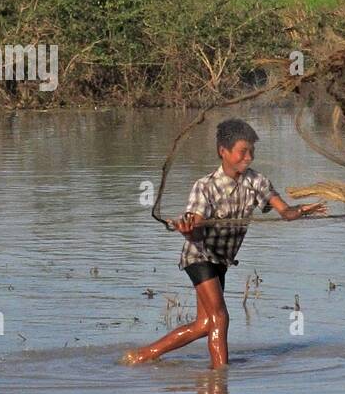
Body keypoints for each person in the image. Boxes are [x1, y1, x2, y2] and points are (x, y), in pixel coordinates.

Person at [124, 118, 326, 367]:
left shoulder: (257, 182)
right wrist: (188, 230)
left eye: (252, 151)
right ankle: (220, 375)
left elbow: (285, 212)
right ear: (224, 151)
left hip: (220, 261)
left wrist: (303, 210)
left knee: (205, 324)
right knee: (220, 317)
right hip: (198, 256)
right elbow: (195, 230)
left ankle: (142, 355)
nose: (249, 157)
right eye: (243, 151)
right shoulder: (205, 187)